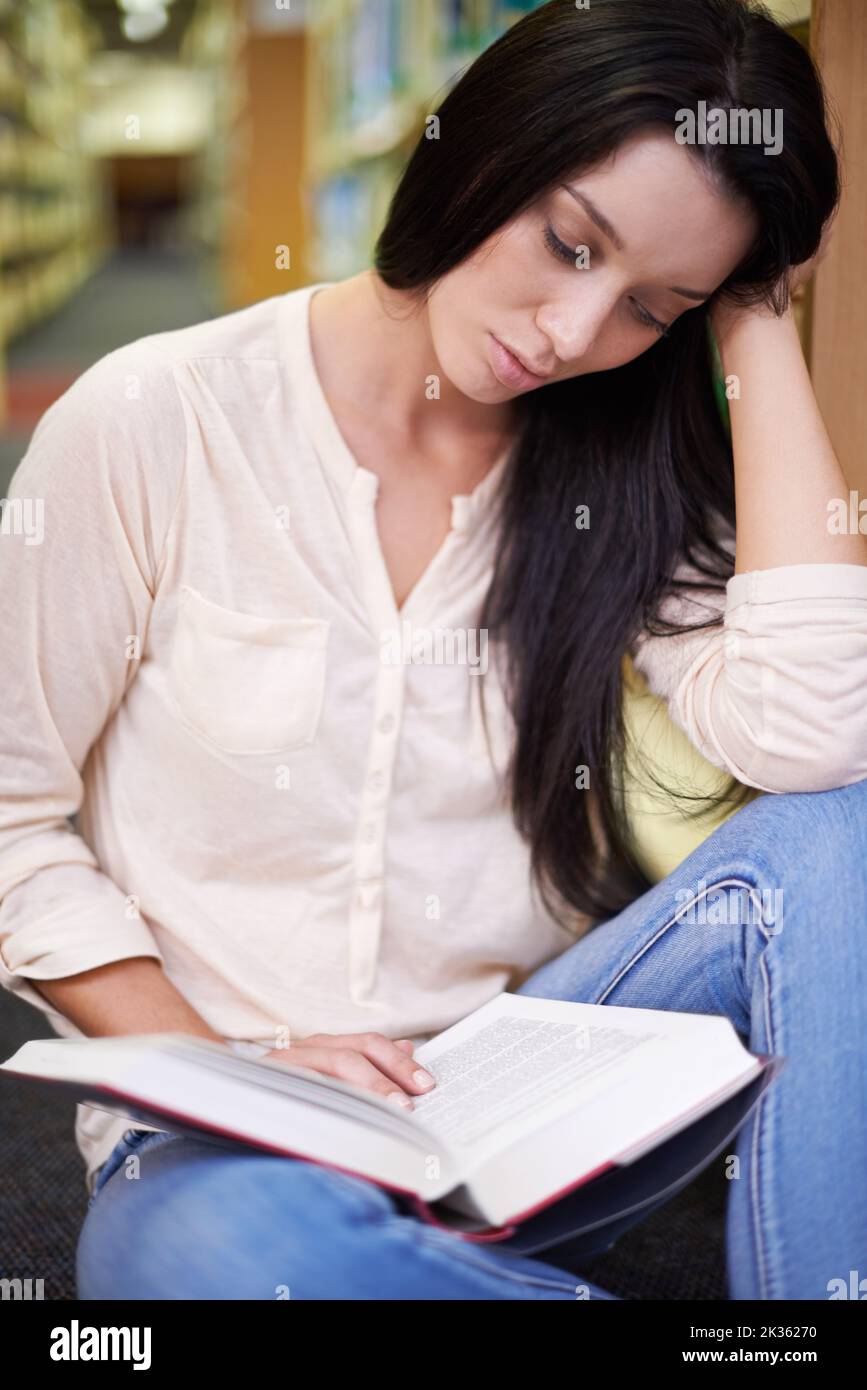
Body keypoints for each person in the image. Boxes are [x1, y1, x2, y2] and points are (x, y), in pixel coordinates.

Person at [1, 0, 866, 1301]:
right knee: (205, 1251)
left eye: (650, 303)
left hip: (527, 1109)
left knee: (842, 832)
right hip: (239, 1135)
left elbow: (820, 738)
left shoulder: (615, 474)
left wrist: (745, 318)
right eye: (570, 243)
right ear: (485, 151)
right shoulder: (153, 419)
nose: (574, 334)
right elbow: (11, 812)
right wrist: (228, 1067)